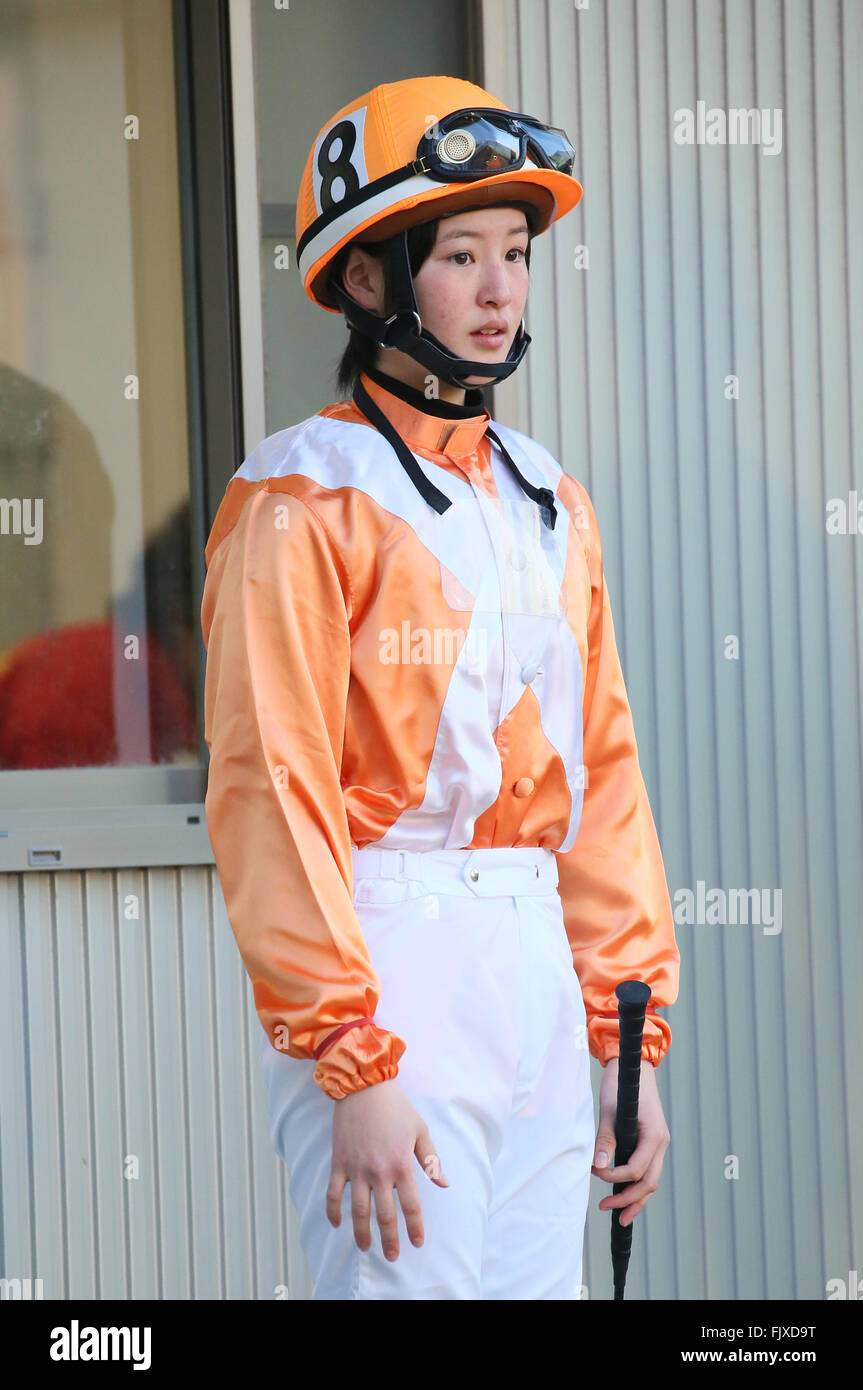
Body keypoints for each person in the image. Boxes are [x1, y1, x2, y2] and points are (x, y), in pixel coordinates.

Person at [200, 74, 680, 1300]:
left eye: (512, 253)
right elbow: (271, 786)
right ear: (367, 280)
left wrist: (626, 1041)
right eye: (458, 254)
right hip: (392, 965)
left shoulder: (543, 492)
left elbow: (600, 775)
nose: (498, 288)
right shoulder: (298, 497)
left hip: (533, 969)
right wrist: (351, 1059)